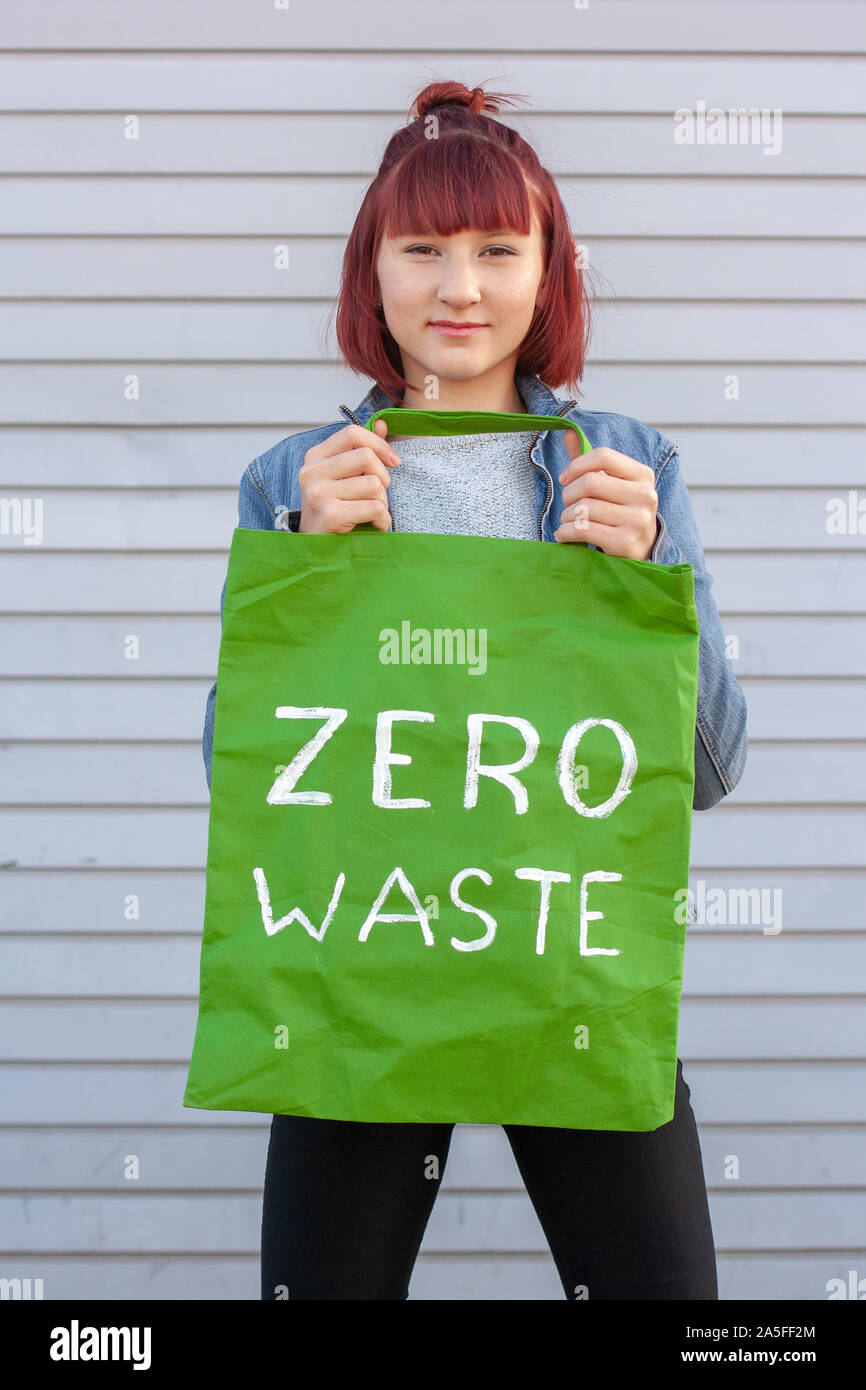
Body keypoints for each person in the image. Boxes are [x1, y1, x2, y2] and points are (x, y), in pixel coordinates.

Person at [202, 80, 748, 1300]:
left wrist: (647, 572)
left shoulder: (623, 461)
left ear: (546, 270)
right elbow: (247, 787)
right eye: (423, 248)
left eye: (499, 248)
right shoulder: (294, 477)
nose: (460, 286)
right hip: (363, 978)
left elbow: (706, 772)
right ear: (372, 269)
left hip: (573, 976)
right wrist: (306, 568)